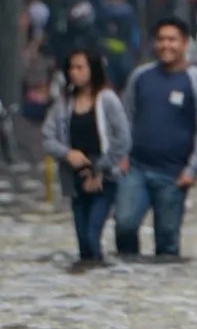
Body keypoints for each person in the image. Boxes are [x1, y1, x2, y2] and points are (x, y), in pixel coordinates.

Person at [114, 17, 197, 258]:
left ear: (184, 43)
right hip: (136, 167)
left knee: (167, 239)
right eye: (160, 40)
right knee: (124, 224)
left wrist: (193, 169)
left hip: (174, 174)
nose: (165, 45)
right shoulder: (140, 76)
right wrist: (121, 155)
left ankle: (164, 286)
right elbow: (125, 117)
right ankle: (128, 275)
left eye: (172, 40)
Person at [41, 50, 131, 262]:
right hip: (74, 177)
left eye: (80, 68)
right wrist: (67, 153)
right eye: (71, 68)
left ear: (93, 70)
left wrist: (100, 169)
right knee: (83, 243)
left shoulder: (107, 100)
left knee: (92, 236)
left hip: (104, 176)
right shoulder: (63, 104)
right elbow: (48, 138)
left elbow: (123, 139)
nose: (75, 73)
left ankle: (101, 277)